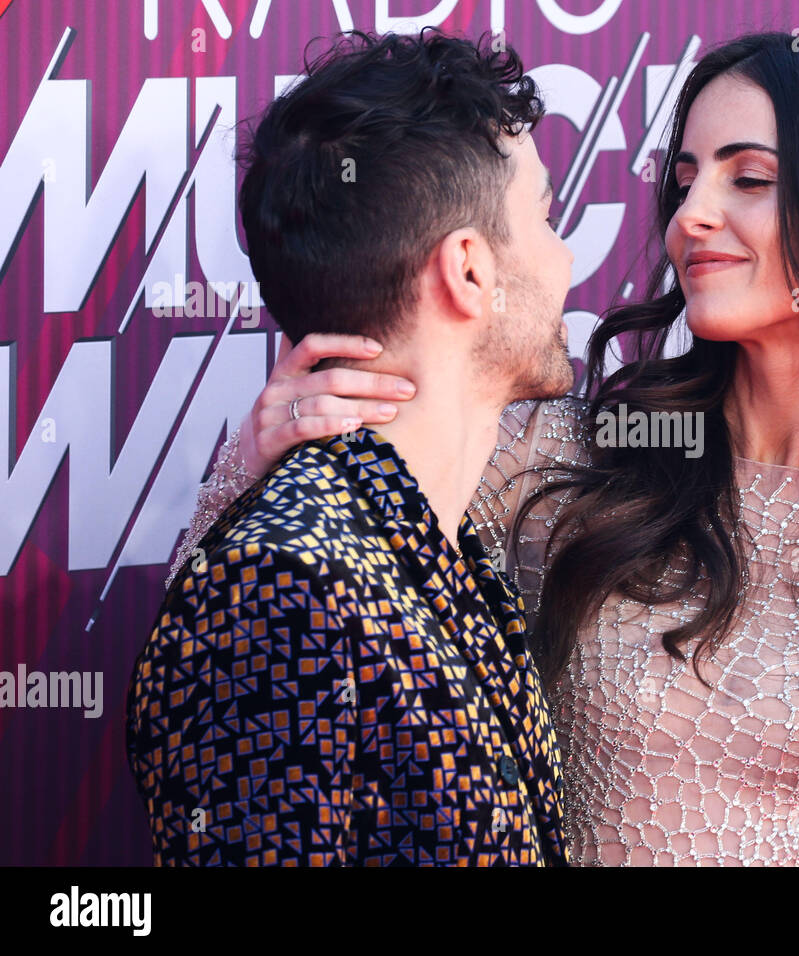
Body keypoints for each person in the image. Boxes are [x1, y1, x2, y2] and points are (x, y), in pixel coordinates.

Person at [171, 32, 799, 866]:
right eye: (684, 179)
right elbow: (245, 647)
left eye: (748, 179)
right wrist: (252, 463)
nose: (690, 215)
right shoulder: (573, 462)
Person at [127, 29, 575, 865]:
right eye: (546, 217)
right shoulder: (283, 587)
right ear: (469, 271)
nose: (567, 257)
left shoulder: (452, 552)